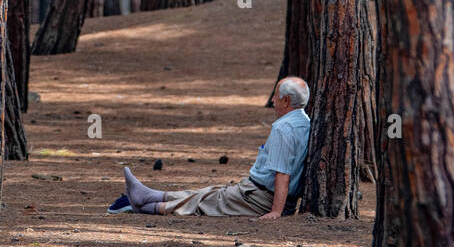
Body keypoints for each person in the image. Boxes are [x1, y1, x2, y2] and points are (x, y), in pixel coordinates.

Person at [110, 77, 310, 218]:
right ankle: (149, 196)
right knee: (208, 193)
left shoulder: (284, 129)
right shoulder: (304, 121)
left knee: (202, 203)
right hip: (255, 192)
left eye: (276, 96)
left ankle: (145, 205)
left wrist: (276, 212)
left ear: (286, 100)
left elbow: (283, 175)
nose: (273, 100)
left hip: (259, 198)